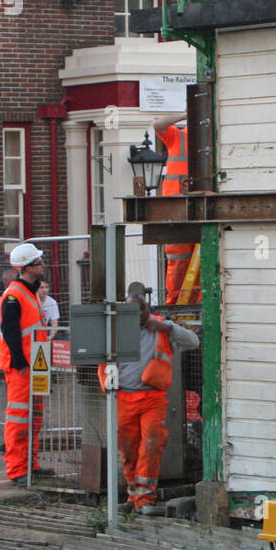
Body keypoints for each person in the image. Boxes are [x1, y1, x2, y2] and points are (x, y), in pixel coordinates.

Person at [99, 281, 199, 514]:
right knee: (128, 449)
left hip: (152, 398)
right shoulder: (114, 328)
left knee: (152, 444)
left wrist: (169, 328)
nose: (139, 316)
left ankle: (145, 499)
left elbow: (193, 342)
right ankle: (135, 497)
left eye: (142, 311)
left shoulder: (161, 326)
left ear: (147, 310)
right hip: (123, 397)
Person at [0, 243, 53, 486]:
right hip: (23, 366)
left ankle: (31, 464)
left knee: (34, 416)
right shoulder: (15, 294)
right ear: (28, 267)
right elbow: (9, 330)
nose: (42, 265)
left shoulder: (28, 292)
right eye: (38, 262)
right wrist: (20, 361)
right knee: (19, 417)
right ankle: (17, 469)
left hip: (34, 365)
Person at [152, 112, 200, 305]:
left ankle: (198, 302)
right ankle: (174, 302)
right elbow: (158, 124)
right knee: (177, 258)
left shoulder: (211, 140)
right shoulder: (178, 136)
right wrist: (185, 114)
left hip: (195, 207)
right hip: (175, 207)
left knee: (201, 258)